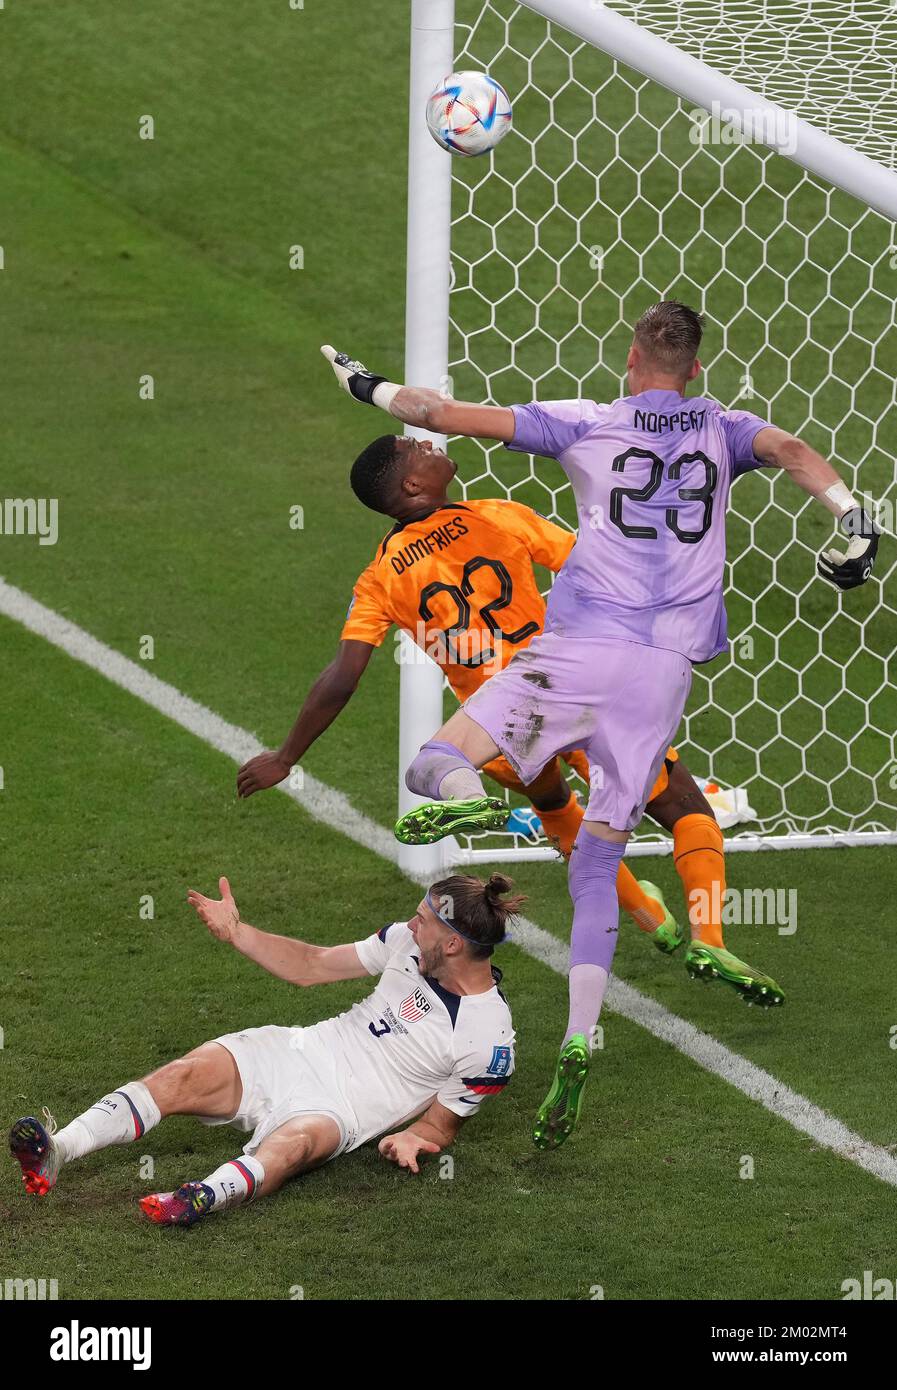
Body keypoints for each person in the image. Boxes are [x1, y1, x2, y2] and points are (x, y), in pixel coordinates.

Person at [320, 301, 879, 1148]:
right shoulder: (729, 429)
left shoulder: (584, 423)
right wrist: (850, 514)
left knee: (440, 764)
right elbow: (795, 454)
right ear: (694, 370)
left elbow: (432, 414)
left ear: (629, 361)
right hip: (659, 676)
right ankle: (614, 1003)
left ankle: (478, 809)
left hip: (566, 659)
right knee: (614, 848)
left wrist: (362, 382)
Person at [236, 431, 782, 1004]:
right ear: (413, 485)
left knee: (555, 806)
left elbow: (342, 677)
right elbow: (597, 571)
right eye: (413, 447)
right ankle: (709, 935)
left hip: (493, 732)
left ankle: (648, 913)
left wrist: (286, 756)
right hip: (574, 691)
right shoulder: (497, 515)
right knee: (682, 807)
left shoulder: (379, 578)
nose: (427, 441)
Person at [9, 873, 518, 1224]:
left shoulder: (488, 1041)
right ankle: (59, 1150)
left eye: (422, 919)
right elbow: (313, 964)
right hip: (297, 1051)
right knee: (181, 1075)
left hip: (341, 1109)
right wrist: (237, 933)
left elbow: (439, 1126)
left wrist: (415, 1138)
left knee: (292, 1148)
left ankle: (203, 1197)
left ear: (452, 944)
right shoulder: (405, 944)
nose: (410, 926)